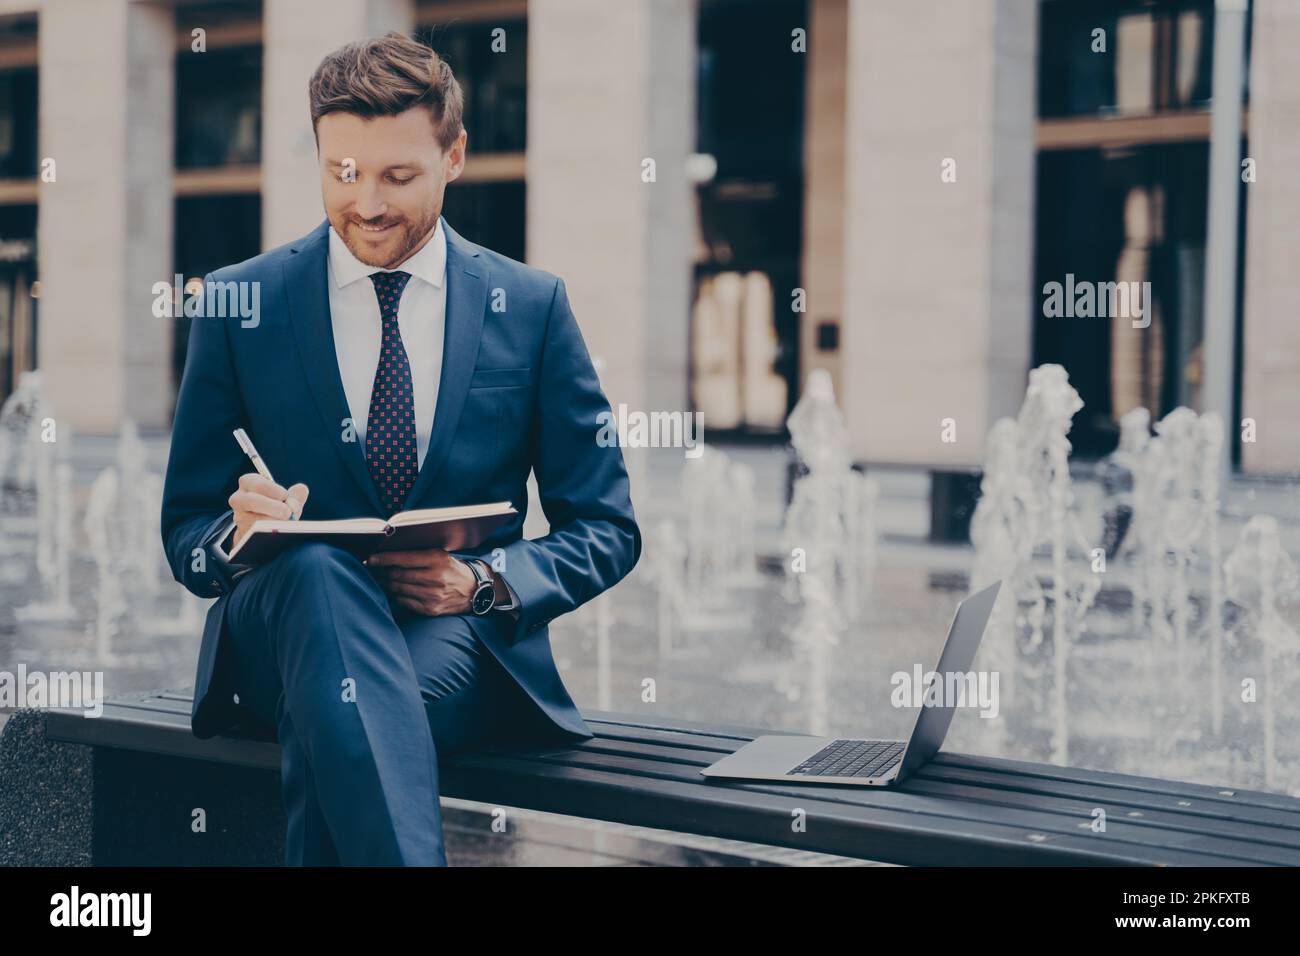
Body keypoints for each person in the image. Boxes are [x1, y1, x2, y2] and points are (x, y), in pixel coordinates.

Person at [160, 32, 640, 866]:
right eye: (344, 173)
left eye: (399, 175)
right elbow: (186, 529)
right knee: (313, 578)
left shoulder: (530, 307)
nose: (369, 203)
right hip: (277, 632)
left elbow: (607, 526)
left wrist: (487, 584)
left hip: (452, 637)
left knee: (341, 719)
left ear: (454, 156)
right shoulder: (240, 301)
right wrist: (233, 536)